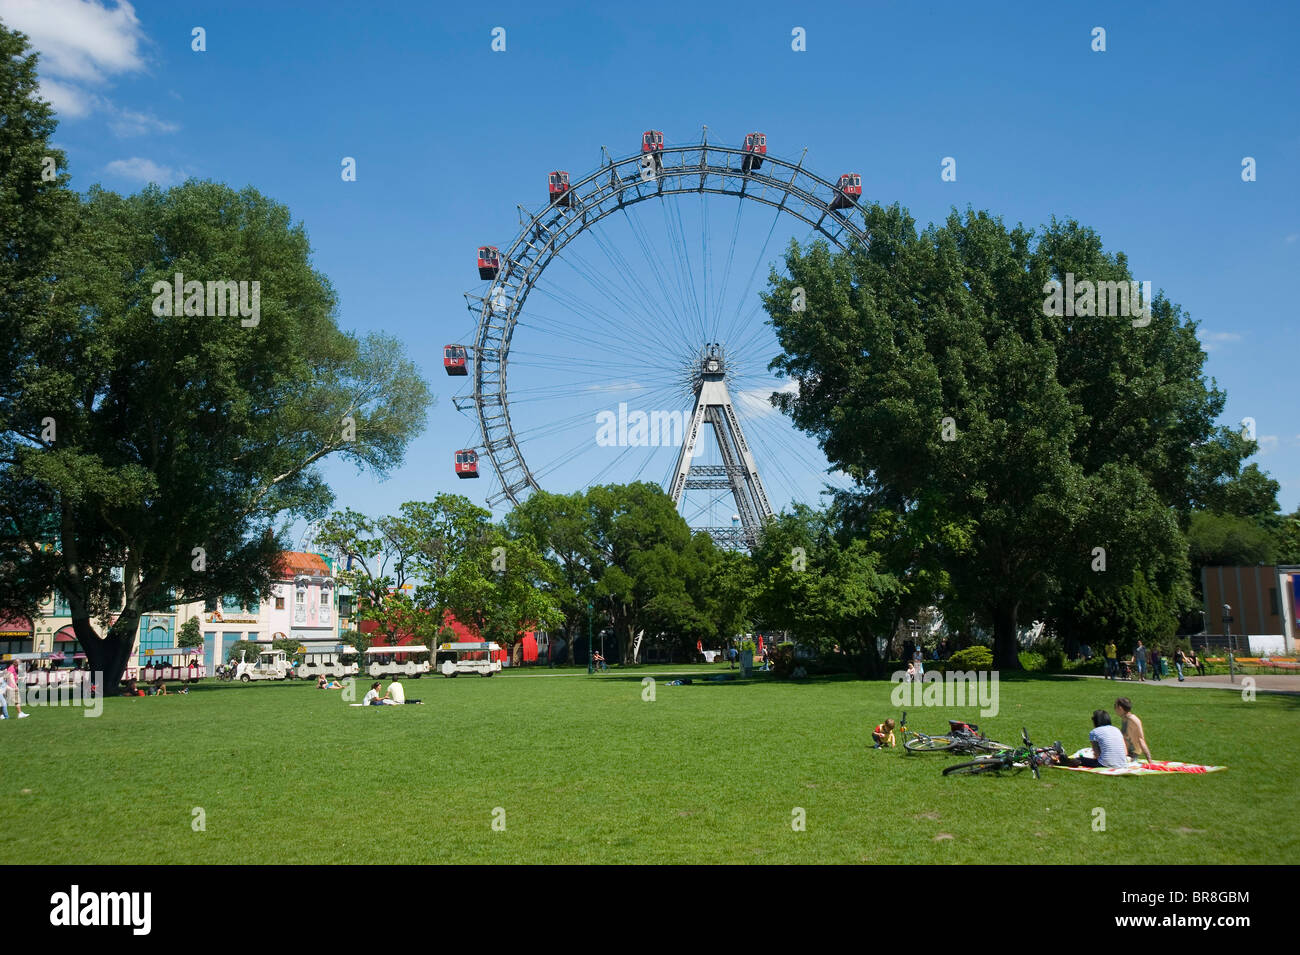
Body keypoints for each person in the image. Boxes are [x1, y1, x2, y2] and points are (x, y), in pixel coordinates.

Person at [1060, 709, 1128, 768]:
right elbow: (1125, 752)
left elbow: (1097, 754)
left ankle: (1062, 761)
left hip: (1105, 763)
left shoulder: (1094, 732)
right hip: (1122, 763)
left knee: (1080, 760)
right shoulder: (1116, 729)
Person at [1114, 698, 1152, 762]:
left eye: (1115, 706)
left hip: (1131, 754)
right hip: (1124, 752)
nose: (1114, 709)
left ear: (1120, 708)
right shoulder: (1124, 718)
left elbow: (1141, 740)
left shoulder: (1133, 720)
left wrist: (1149, 760)